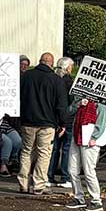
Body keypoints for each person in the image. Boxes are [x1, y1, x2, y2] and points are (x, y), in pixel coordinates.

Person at [19, 52, 63, 195]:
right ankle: (38, 184)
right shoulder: (56, 80)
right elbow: (61, 105)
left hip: (27, 121)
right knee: (44, 154)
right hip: (47, 123)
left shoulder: (26, 76)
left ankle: (23, 183)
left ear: (39, 61)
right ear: (52, 63)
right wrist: (62, 123)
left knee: (26, 151)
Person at [67, 94, 106, 211]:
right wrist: (77, 104)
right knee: (72, 170)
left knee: (89, 171)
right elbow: (69, 111)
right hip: (77, 135)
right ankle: (78, 197)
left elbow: (102, 119)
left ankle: (96, 200)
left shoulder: (101, 102)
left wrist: (95, 136)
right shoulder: (79, 98)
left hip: (89, 138)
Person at [47, 56, 76, 188]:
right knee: (66, 149)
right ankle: (65, 177)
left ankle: (49, 176)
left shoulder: (52, 79)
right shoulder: (69, 82)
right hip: (67, 120)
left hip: (53, 119)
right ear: (67, 67)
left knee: (53, 149)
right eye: (71, 66)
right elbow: (70, 102)